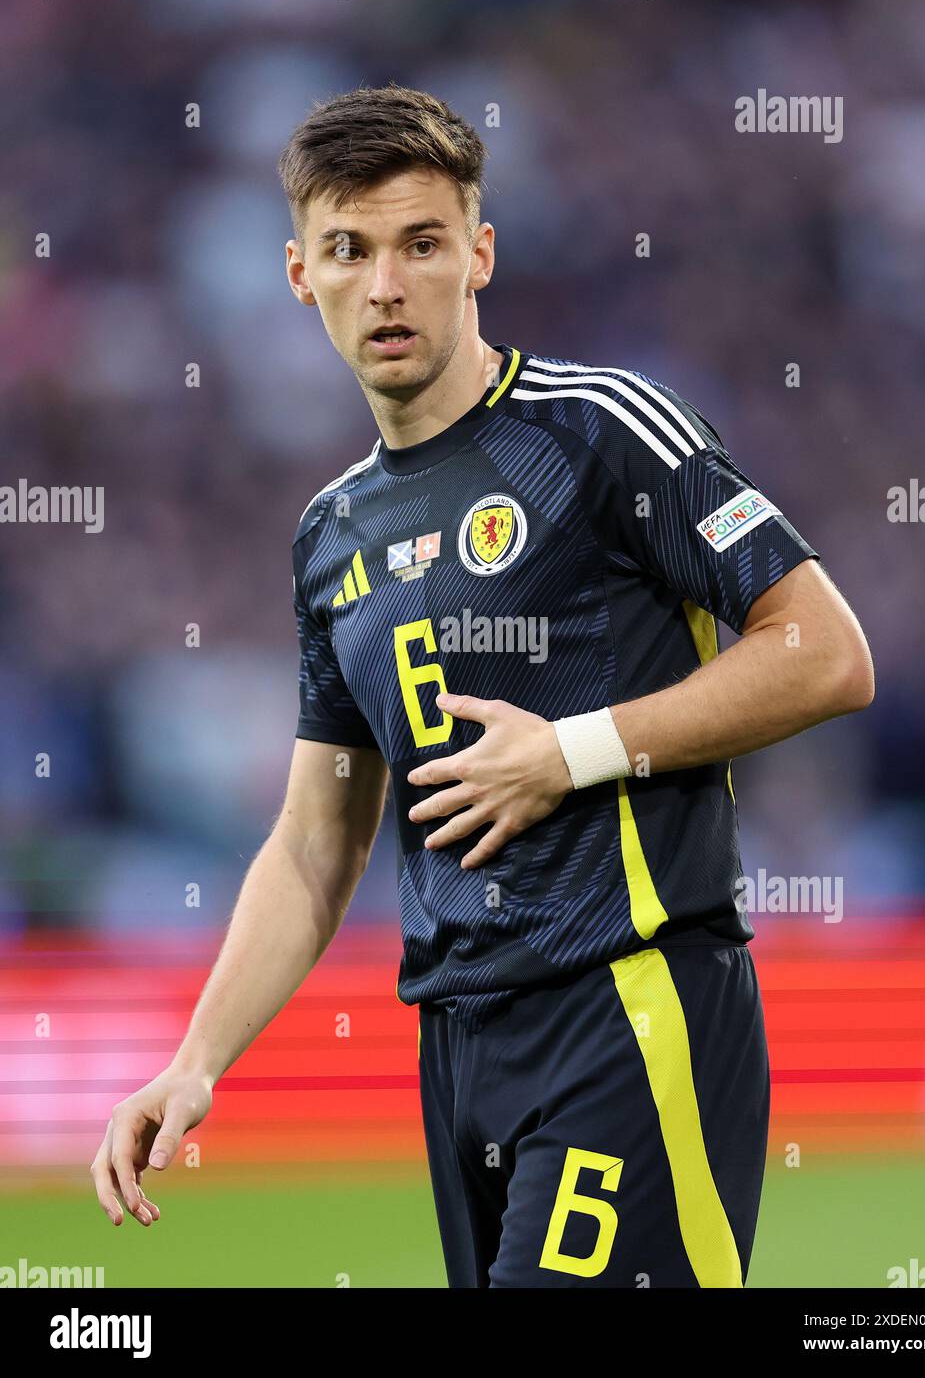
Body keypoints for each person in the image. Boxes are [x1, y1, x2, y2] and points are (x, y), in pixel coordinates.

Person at [90, 83, 874, 1288]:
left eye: (422, 243)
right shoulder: (331, 535)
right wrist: (195, 1059)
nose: (386, 285)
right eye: (348, 250)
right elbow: (315, 841)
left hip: (629, 1003)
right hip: (457, 1052)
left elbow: (824, 651)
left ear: (480, 256)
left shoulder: (600, 432)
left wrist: (573, 750)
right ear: (300, 274)